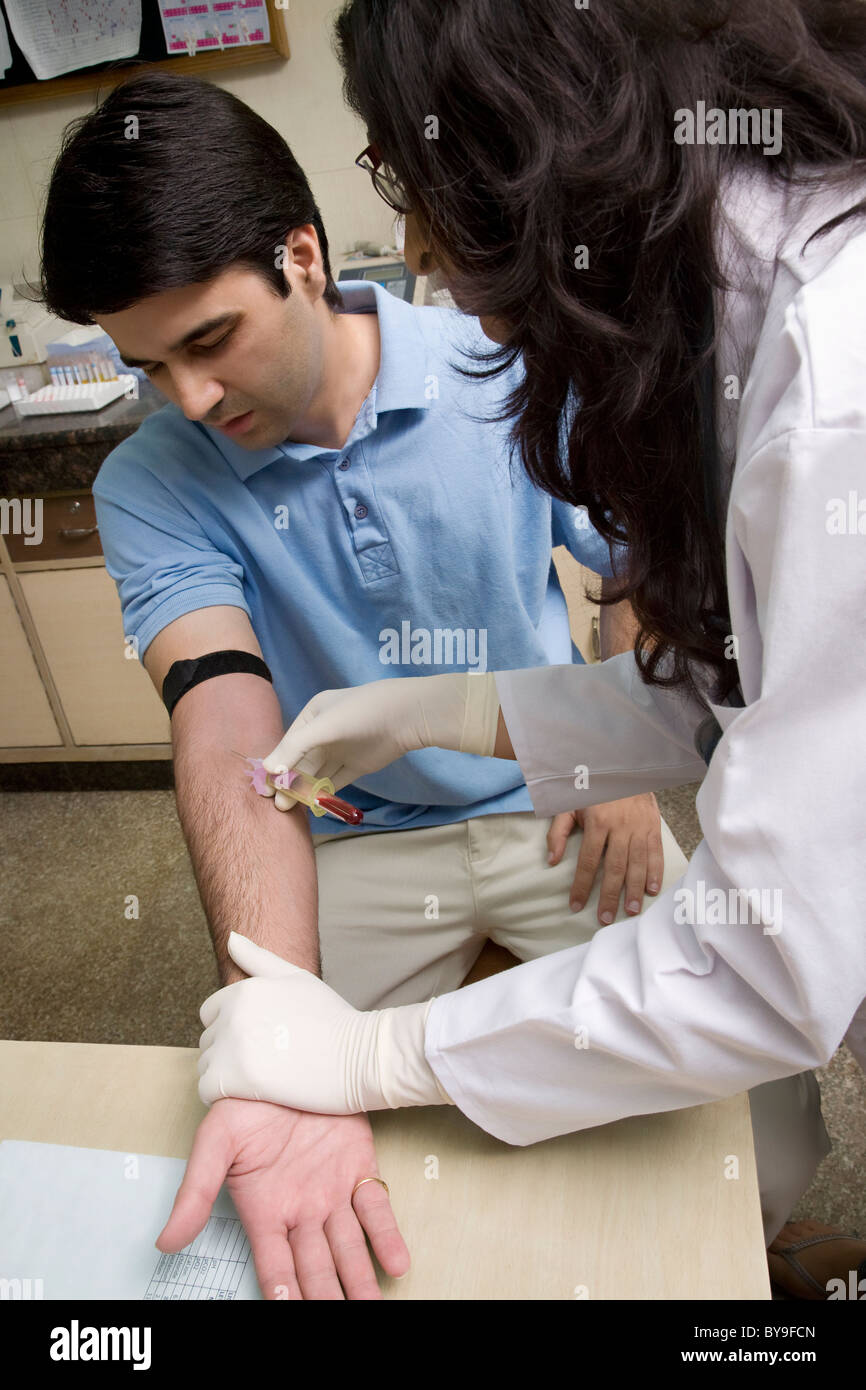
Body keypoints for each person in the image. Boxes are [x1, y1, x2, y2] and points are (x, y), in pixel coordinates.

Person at [196, 0, 866, 1299]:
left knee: (739, 1144)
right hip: (391, 841)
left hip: (624, 868)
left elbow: (767, 964)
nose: (424, 255)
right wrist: (440, 712)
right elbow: (748, 692)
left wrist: (369, 1059)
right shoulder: (740, 286)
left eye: (427, 189)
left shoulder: (830, 392)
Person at [38, 70, 696, 1301]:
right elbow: (224, 717)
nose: (188, 399)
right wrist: (278, 1015)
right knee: (288, 1129)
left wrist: (612, 750)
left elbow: (639, 565)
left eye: (208, 341)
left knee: (723, 1103)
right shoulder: (150, 482)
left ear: (300, 256)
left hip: (553, 784)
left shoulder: (504, 366)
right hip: (355, 831)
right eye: (147, 366)